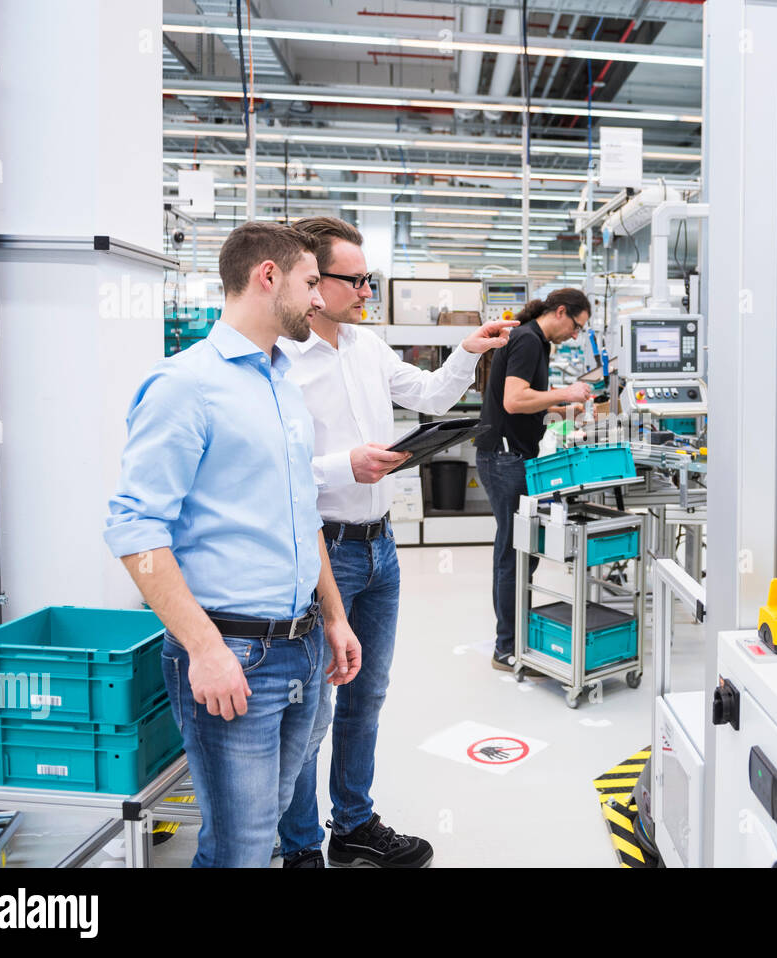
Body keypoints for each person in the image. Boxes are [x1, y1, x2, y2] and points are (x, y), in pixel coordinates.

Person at [104, 222, 363, 868]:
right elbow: (136, 531)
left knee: (260, 829)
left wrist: (333, 617)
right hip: (235, 654)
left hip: (302, 648)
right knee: (240, 848)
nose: (318, 300)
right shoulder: (184, 386)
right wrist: (204, 648)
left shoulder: (283, 384)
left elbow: (303, 515)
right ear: (266, 277)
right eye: (310, 284)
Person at [276, 216, 517, 869]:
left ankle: (351, 823)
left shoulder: (367, 346)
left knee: (366, 694)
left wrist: (469, 351)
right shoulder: (279, 362)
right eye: (353, 279)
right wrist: (341, 466)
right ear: (311, 281)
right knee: (310, 707)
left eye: (368, 278)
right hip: (320, 551)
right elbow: (270, 468)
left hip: (380, 550)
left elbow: (433, 398)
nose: (365, 289)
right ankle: (298, 845)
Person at [475, 289, 594, 672]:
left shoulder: (536, 342)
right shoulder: (528, 339)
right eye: (577, 327)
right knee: (513, 553)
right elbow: (513, 400)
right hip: (503, 458)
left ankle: (515, 638)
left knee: (516, 551)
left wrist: (560, 407)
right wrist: (566, 391)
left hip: (511, 454)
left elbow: (525, 403)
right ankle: (506, 648)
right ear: (561, 312)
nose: (575, 336)